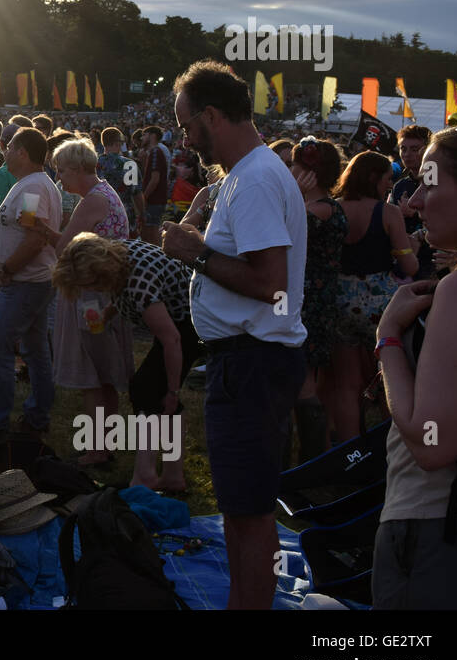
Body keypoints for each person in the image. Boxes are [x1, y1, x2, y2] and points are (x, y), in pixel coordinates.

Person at [160, 60, 307, 610]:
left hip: (251, 361)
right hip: (250, 359)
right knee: (244, 508)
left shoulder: (255, 180)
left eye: (184, 125)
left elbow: (270, 282)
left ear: (212, 117)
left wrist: (194, 251)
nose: (182, 137)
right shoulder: (250, 175)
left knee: (247, 512)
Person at [372, 116, 457, 608]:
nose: (413, 201)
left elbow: (433, 443)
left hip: (443, 530)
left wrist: (389, 339)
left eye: (430, 183)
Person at [53, 234, 201, 491]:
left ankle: (145, 476)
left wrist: (174, 391)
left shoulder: (138, 283)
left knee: (147, 390)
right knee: (153, 395)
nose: (88, 290)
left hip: (190, 321)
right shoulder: (118, 257)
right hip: (177, 321)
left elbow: (173, 339)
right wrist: (106, 313)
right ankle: (172, 477)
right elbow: (119, 294)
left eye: (89, 283)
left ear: (101, 270)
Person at [0, 127, 61, 445]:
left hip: (23, 282)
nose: (4, 152)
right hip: (31, 281)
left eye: (10, 148)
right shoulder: (30, 184)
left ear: (22, 152)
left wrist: (8, 267)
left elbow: (34, 238)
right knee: (35, 350)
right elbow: (25, 227)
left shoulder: (33, 187)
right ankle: (36, 417)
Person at [41, 139, 134, 464]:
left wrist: (44, 232)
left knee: (91, 374)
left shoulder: (92, 201)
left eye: (62, 170)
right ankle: (104, 445)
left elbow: (64, 249)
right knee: (103, 374)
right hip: (106, 293)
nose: (60, 177)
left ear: (79, 168)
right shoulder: (105, 193)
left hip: (91, 298)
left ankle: (97, 450)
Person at [326, 151, 418, 443]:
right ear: (373, 178)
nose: (389, 186)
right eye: (387, 180)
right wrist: (411, 247)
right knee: (388, 378)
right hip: (380, 304)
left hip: (339, 299)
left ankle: (350, 452)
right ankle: (389, 448)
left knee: (345, 382)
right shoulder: (387, 212)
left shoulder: (332, 209)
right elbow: (409, 267)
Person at [287, 137, 346, 466]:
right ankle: (313, 456)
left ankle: (311, 459)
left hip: (308, 300)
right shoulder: (328, 208)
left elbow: (284, 234)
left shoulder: (315, 212)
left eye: (294, 165)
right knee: (305, 374)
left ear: (308, 172)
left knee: (303, 378)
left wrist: (293, 195)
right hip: (317, 300)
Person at [389, 125, 434, 279]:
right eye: (403, 149)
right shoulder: (400, 185)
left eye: (414, 149)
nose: (407, 154)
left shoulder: (438, 179)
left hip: (435, 260)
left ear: (428, 150)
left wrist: (415, 213)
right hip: (406, 260)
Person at [98, 127, 145, 238]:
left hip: (100, 215)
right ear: (118, 143)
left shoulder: (93, 163)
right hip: (125, 215)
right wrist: (142, 214)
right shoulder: (129, 164)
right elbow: (136, 194)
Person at [139, 125, 168, 244]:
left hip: (154, 200)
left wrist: (143, 197)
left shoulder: (156, 151)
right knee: (147, 233)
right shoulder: (153, 152)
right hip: (155, 200)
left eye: (145, 135)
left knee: (152, 234)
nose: (142, 138)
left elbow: (155, 179)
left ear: (153, 136)